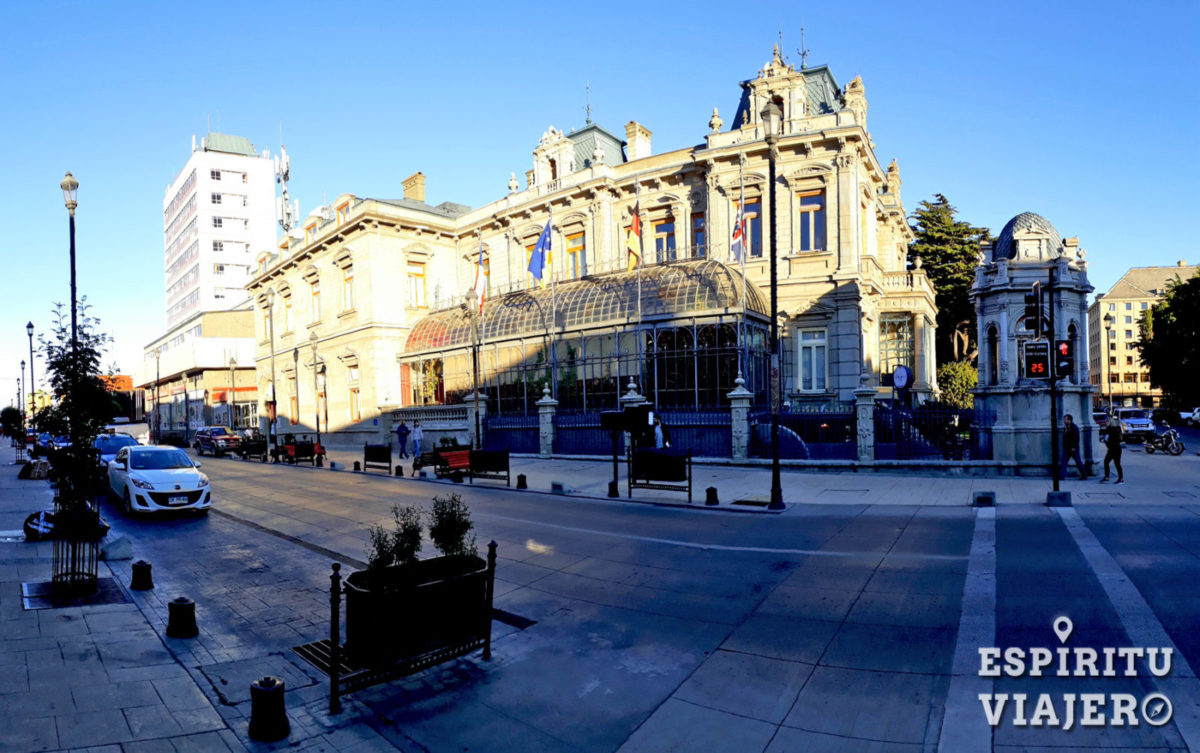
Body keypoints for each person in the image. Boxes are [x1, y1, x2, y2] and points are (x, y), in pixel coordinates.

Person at [1059, 414, 1086, 480]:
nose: (1064, 421)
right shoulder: (1066, 427)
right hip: (1067, 448)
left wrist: (1073, 447)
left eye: (1065, 419)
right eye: (1064, 419)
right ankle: (1062, 476)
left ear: (1069, 420)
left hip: (1073, 448)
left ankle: (1084, 475)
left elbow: (1076, 438)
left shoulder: (1074, 428)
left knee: (1078, 462)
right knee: (1064, 462)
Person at [1100, 418, 1124, 484]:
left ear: (1111, 422)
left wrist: (1107, 442)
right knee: (1106, 462)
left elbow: (1115, 440)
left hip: (1115, 449)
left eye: (1107, 421)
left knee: (1117, 464)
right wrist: (1105, 441)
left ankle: (1121, 479)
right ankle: (1107, 477)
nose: (1106, 423)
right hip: (1111, 449)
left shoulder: (1114, 429)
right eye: (1105, 421)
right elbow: (1107, 439)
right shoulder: (1108, 429)